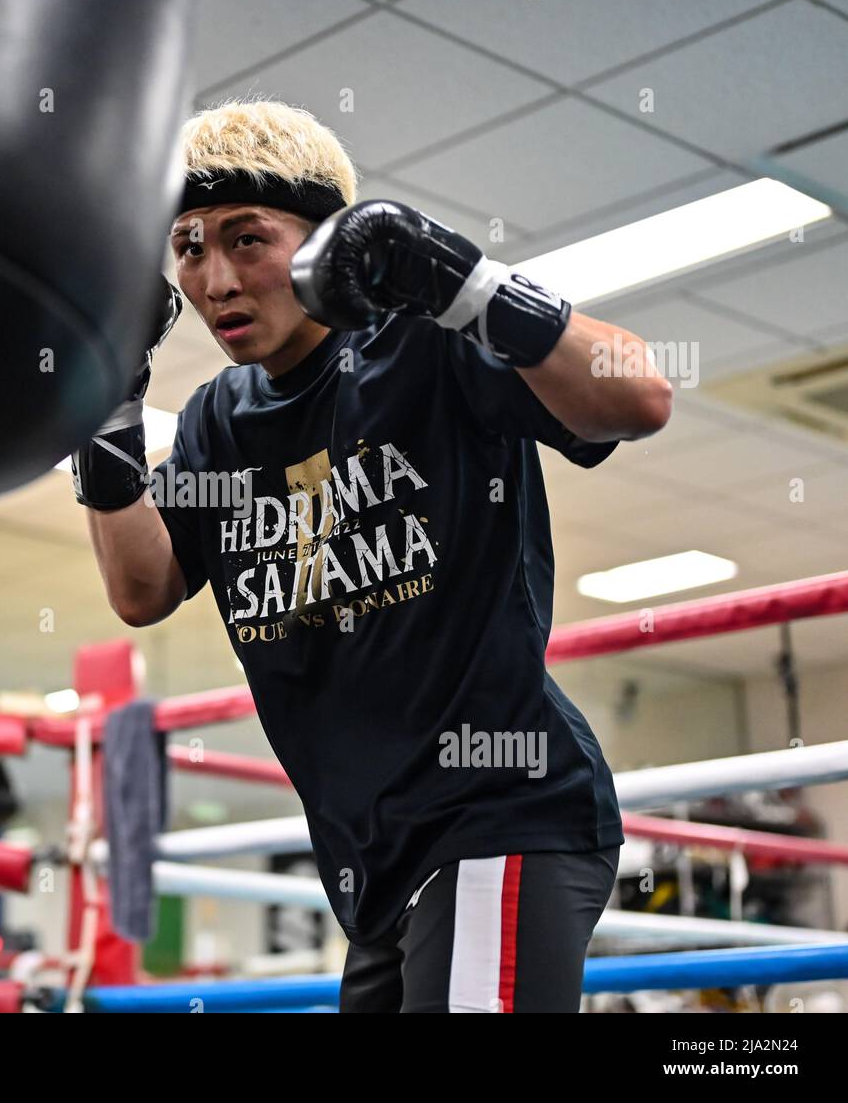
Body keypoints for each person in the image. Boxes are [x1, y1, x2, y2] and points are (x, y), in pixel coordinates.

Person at [72, 100, 673, 1012]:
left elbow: (640, 398)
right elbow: (142, 588)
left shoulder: (425, 346)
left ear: (324, 247)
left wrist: (465, 286)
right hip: (372, 865)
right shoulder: (216, 422)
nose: (216, 279)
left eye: (247, 239)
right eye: (189, 247)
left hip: (498, 817)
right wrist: (107, 410)